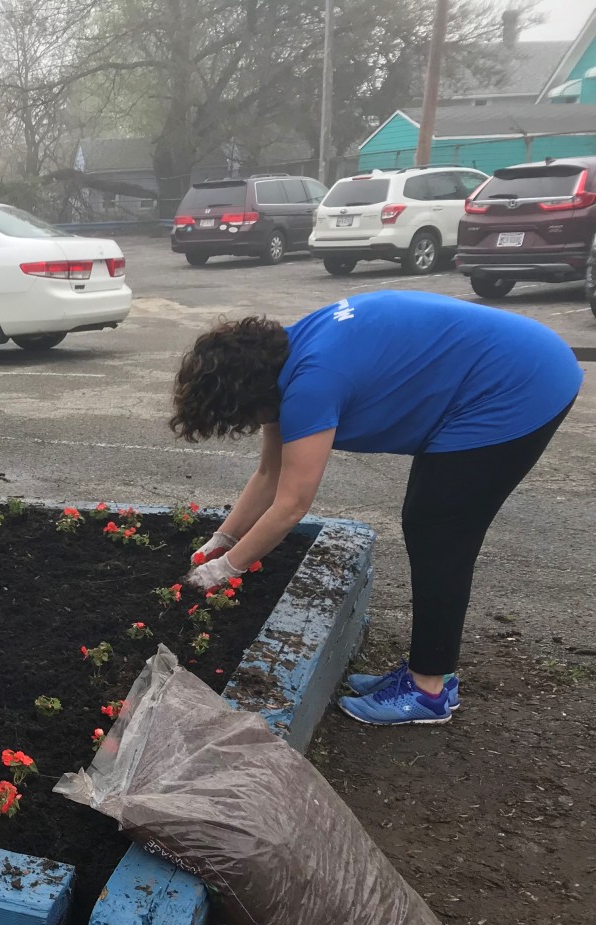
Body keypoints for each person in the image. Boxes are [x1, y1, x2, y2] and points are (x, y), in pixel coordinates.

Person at [171, 291, 579, 727]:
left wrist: (225, 570)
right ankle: (432, 671)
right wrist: (223, 539)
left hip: (517, 386)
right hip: (509, 364)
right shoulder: (283, 354)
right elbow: (269, 474)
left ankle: (428, 692)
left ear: (246, 395)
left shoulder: (311, 383)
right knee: (430, 521)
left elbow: (291, 503)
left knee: (440, 531)